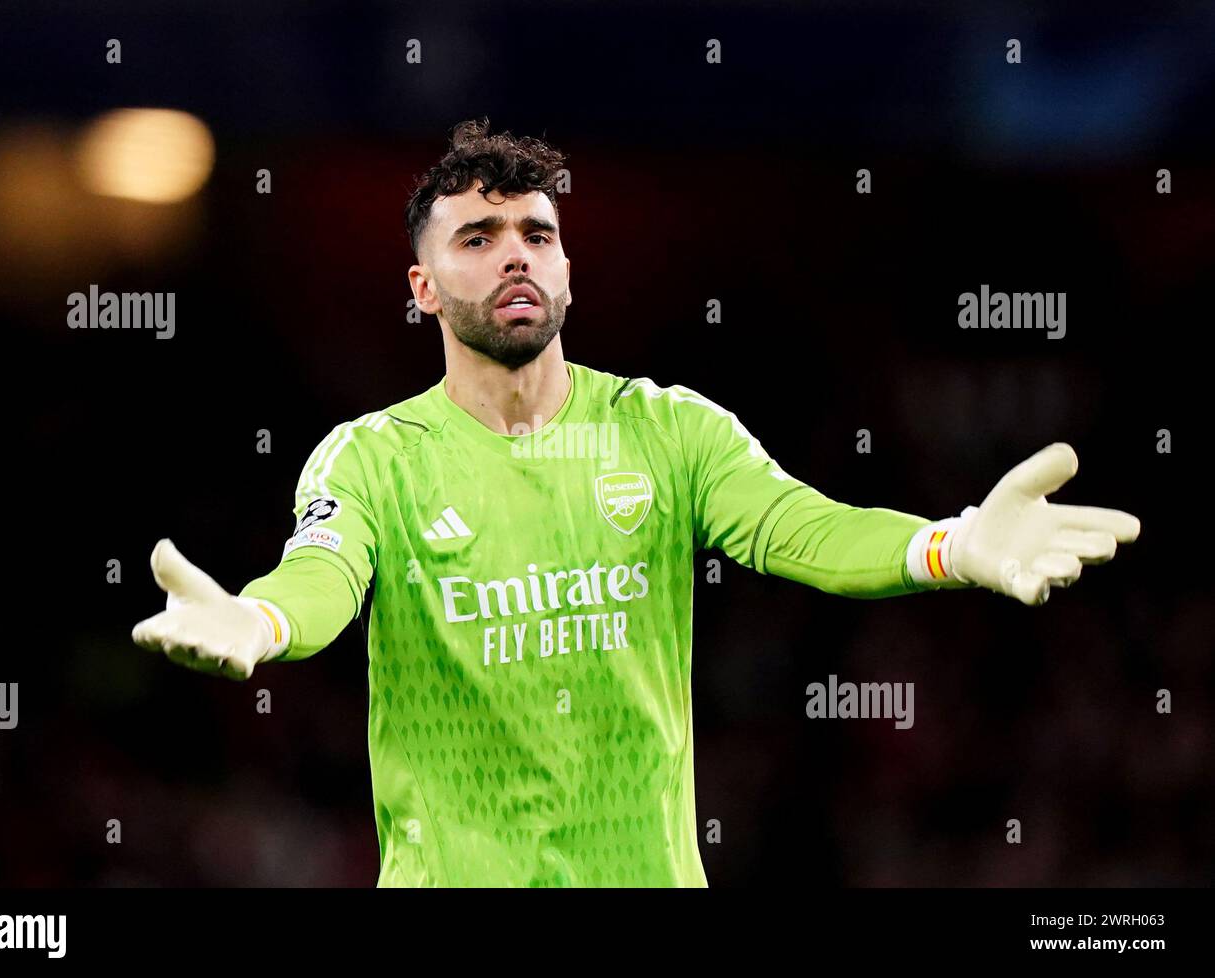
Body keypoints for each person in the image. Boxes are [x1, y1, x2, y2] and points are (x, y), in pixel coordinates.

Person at [132, 118, 1141, 886]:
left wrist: (948, 545)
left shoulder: (668, 431)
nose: (516, 252)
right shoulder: (373, 460)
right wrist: (258, 617)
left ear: (567, 267)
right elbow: (324, 576)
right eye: (477, 237)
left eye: (537, 232)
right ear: (423, 289)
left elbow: (804, 527)